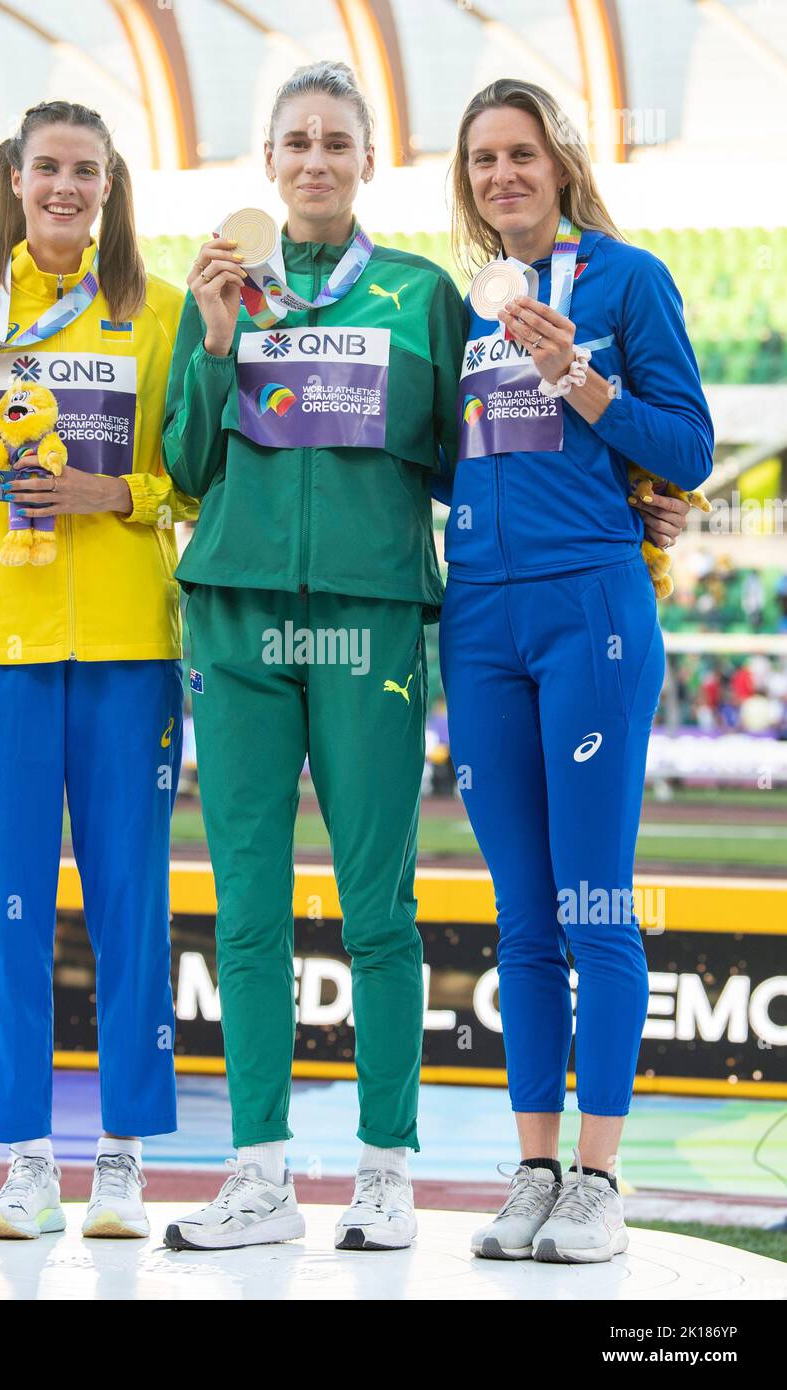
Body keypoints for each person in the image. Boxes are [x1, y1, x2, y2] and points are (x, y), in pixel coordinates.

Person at [160, 60, 468, 1253]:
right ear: (270, 161)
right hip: (234, 620)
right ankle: (258, 1175)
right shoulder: (222, 286)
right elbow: (187, 466)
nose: (315, 159)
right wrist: (212, 339)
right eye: (296, 140)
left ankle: (384, 1171)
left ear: (367, 160)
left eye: (337, 140)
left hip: (368, 622)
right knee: (245, 908)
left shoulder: (417, 294)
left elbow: (466, 456)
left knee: (375, 904)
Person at [438, 78, 713, 1263]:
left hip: (591, 608)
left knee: (593, 900)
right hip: (477, 620)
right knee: (519, 916)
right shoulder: (453, 312)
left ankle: (599, 1182)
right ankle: (532, 1170)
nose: (502, 174)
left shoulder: (624, 281)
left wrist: (583, 383)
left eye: (520, 154)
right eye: (482, 159)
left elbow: (688, 448)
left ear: (557, 163)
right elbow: (458, 472)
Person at [0, 100, 197, 1242]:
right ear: (16, 180)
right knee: (12, 909)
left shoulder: (164, 313)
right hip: (5, 648)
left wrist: (109, 494)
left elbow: (191, 475)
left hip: (133, 644)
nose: (66, 188)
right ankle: (28, 1163)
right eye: (47, 170)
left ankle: (120, 1160)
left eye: (86, 170)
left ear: (111, 181)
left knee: (132, 904)